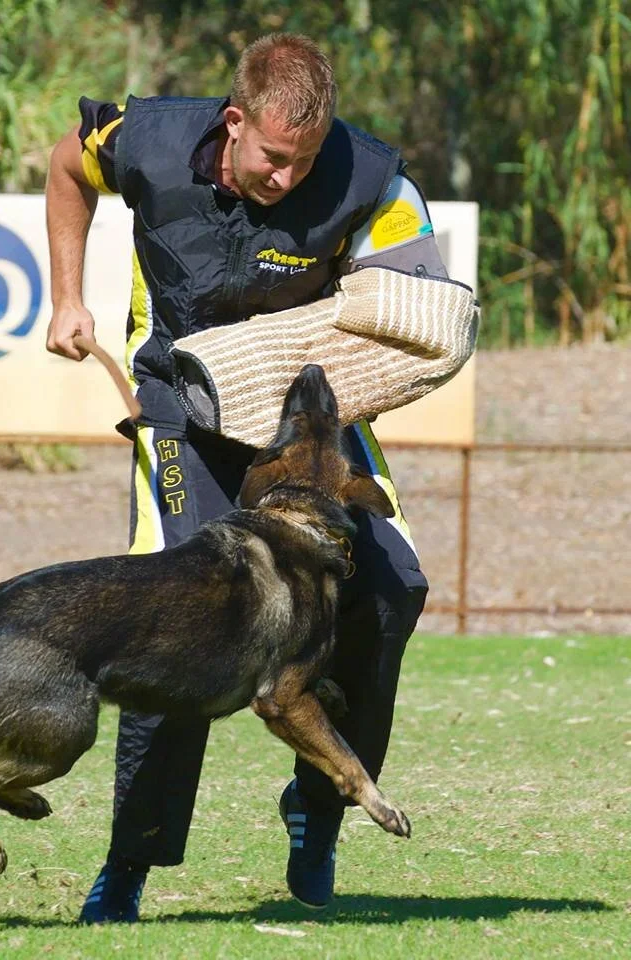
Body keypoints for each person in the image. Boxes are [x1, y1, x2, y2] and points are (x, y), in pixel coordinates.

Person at [45, 33, 446, 923]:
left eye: (306, 162)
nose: (288, 179)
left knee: (391, 591)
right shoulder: (144, 140)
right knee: (178, 608)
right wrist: (65, 293)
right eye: (272, 158)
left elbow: (422, 302)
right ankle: (131, 863)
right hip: (184, 414)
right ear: (235, 123)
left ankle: (322, 814)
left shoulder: (374, 181)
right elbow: (67, 166)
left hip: (306, 422)